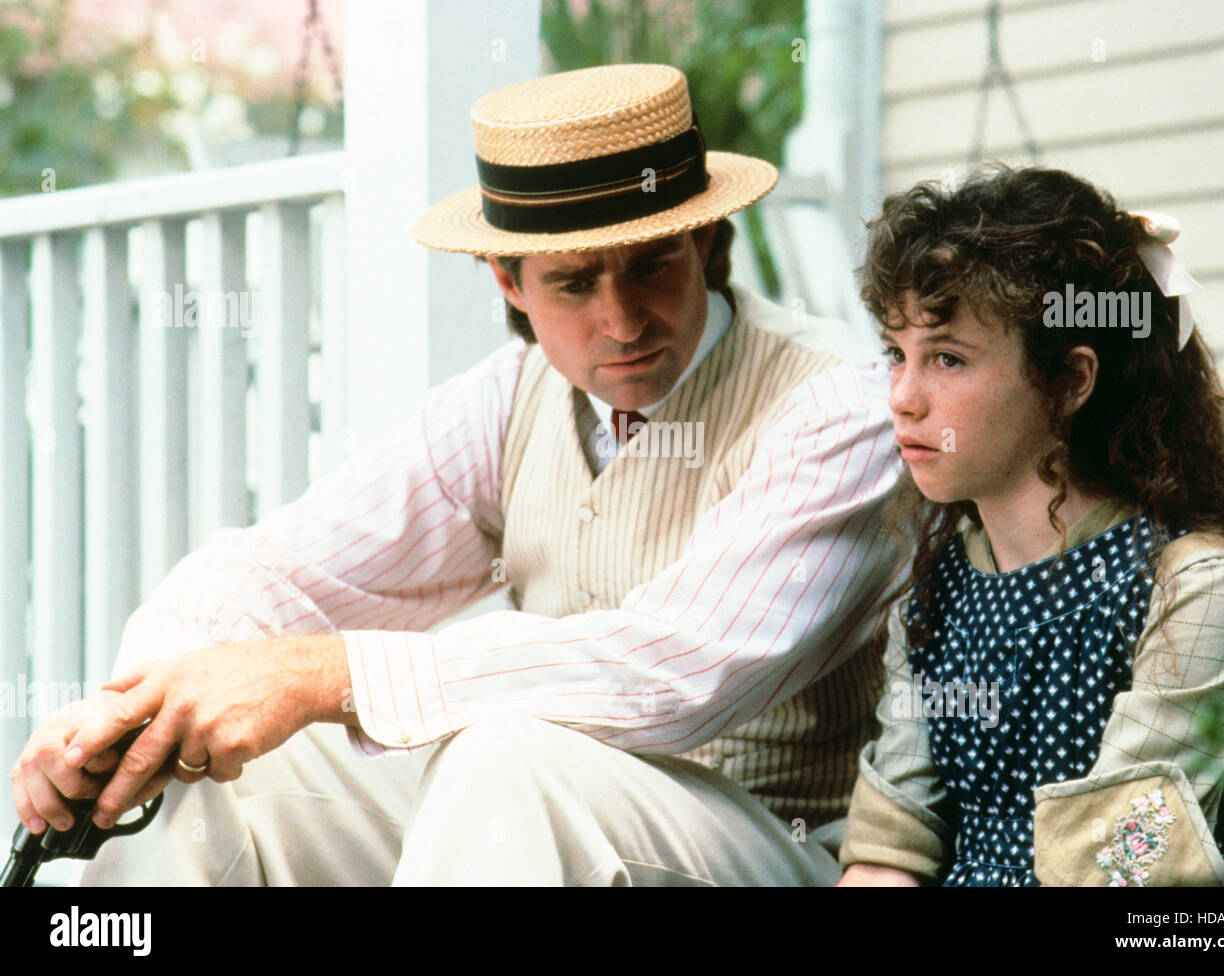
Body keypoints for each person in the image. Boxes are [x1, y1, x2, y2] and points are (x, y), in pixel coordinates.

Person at [10, 64, 906, 885]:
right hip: (547, 825)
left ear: (708, 239)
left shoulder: (838, 404)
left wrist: (328, 675)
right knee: (227, 769)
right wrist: (130, 719)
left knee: (501, 757)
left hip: (775, 848)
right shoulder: (508, 401)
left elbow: (675, 670)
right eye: (572, 282)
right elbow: (282, 569)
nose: (622, 319)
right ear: (509, 282)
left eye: (651, 264)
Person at [837, 165, 1224, 887]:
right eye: (898, 354)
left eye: (948, 358)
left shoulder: (1189, 588)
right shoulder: (938, 594)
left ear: (1070, 381)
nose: (903, 397)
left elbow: (1121, 869)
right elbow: (892, 847)